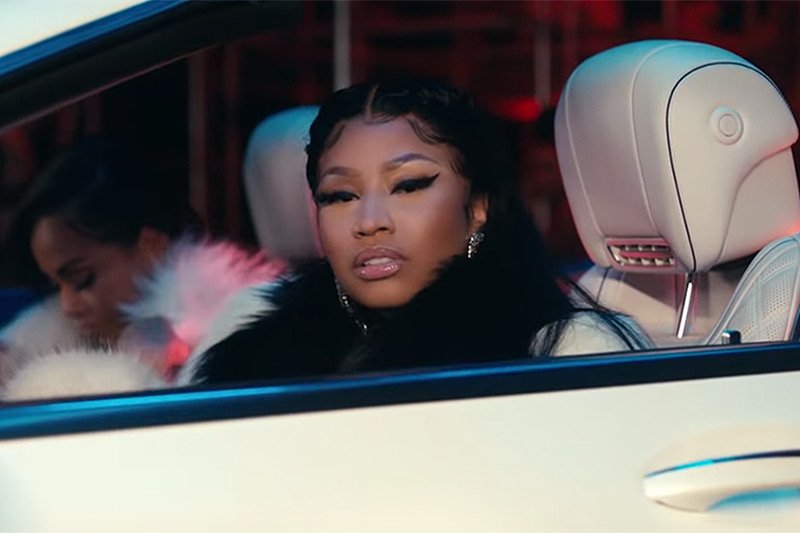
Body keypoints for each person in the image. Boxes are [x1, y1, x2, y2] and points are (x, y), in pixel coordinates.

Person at [183, 80, 652, 384]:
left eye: (408, 186)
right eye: (340, 196)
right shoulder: (248, 349)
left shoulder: (569, 352)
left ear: (478, 208)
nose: (370, 221)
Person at [0, 139, 284, 399]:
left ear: (152, 245)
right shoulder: (33, 346)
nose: (67, 305)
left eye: (82, 279)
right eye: (55, 285)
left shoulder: (235, 349)